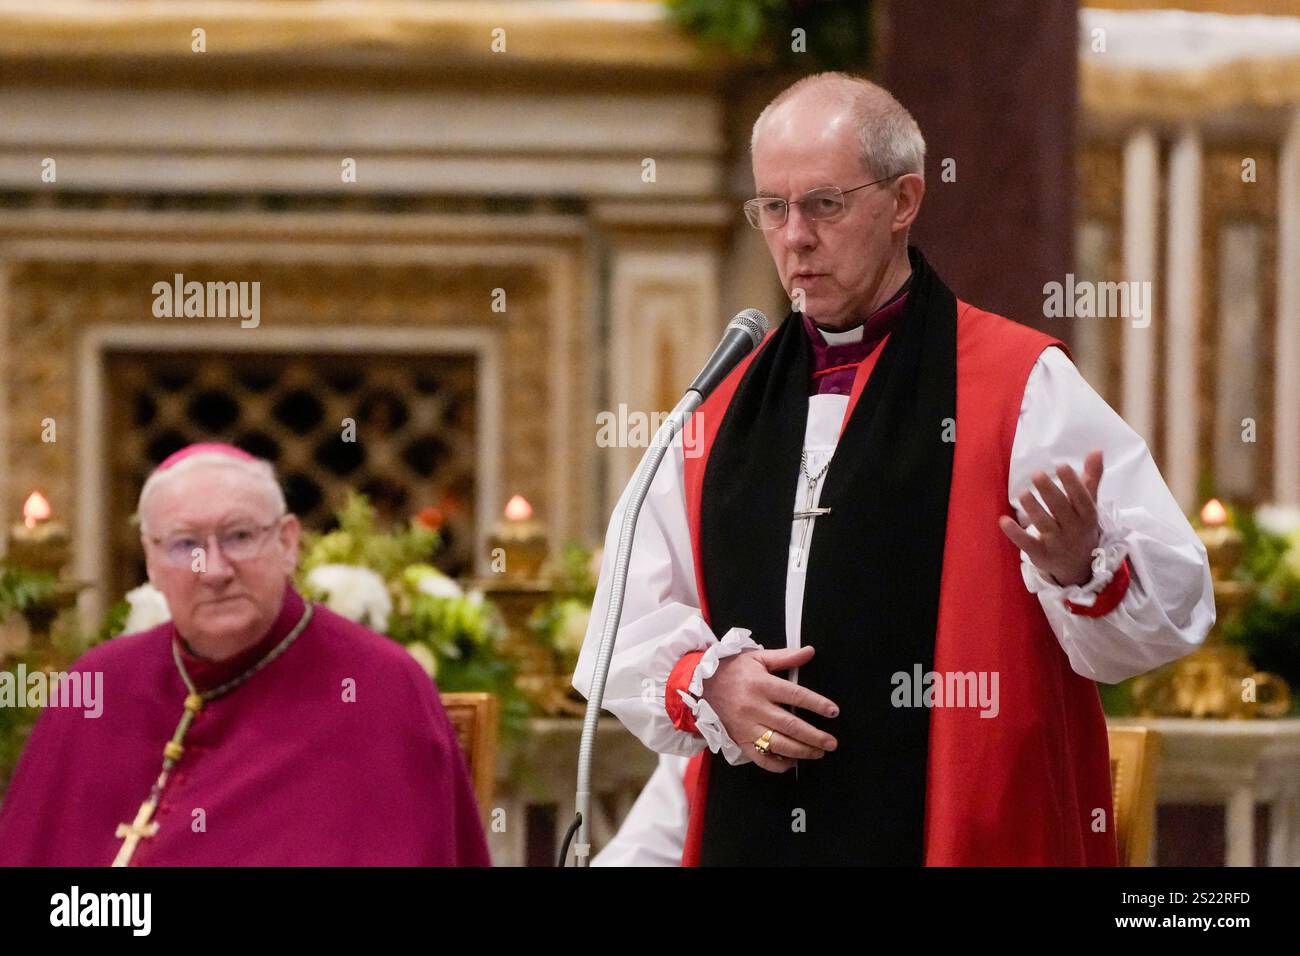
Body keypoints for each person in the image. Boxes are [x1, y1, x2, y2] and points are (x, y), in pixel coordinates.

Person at [574, 73, 1214, 866]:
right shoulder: (721, 409)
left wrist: (1085, 567)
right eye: (772, 208)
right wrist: (711, 686)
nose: (794, 237)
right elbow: (623, 633)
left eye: (824, 204)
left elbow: (1172, 611)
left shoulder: (1017, 384)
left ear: (904, 200)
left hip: (959, 834)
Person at [0, 443, 489, 866]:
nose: (213, 570)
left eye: (239, 536)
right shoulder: (99, 682)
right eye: (184, 544)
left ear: (287, 542)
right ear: (150, 560)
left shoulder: (380, 685)